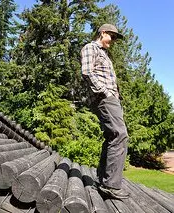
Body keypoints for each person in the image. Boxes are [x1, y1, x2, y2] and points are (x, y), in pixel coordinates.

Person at [80, 23, 129, 199]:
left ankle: (102, 180)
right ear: (103, 33)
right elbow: (86, 72)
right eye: (112, 36)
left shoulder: (104, 54)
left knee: (111, 136)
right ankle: (111, 185)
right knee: (120, 135)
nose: (114, 40)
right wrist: (105, 92)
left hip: (111, 99)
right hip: (105, 98)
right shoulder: (90, 48)